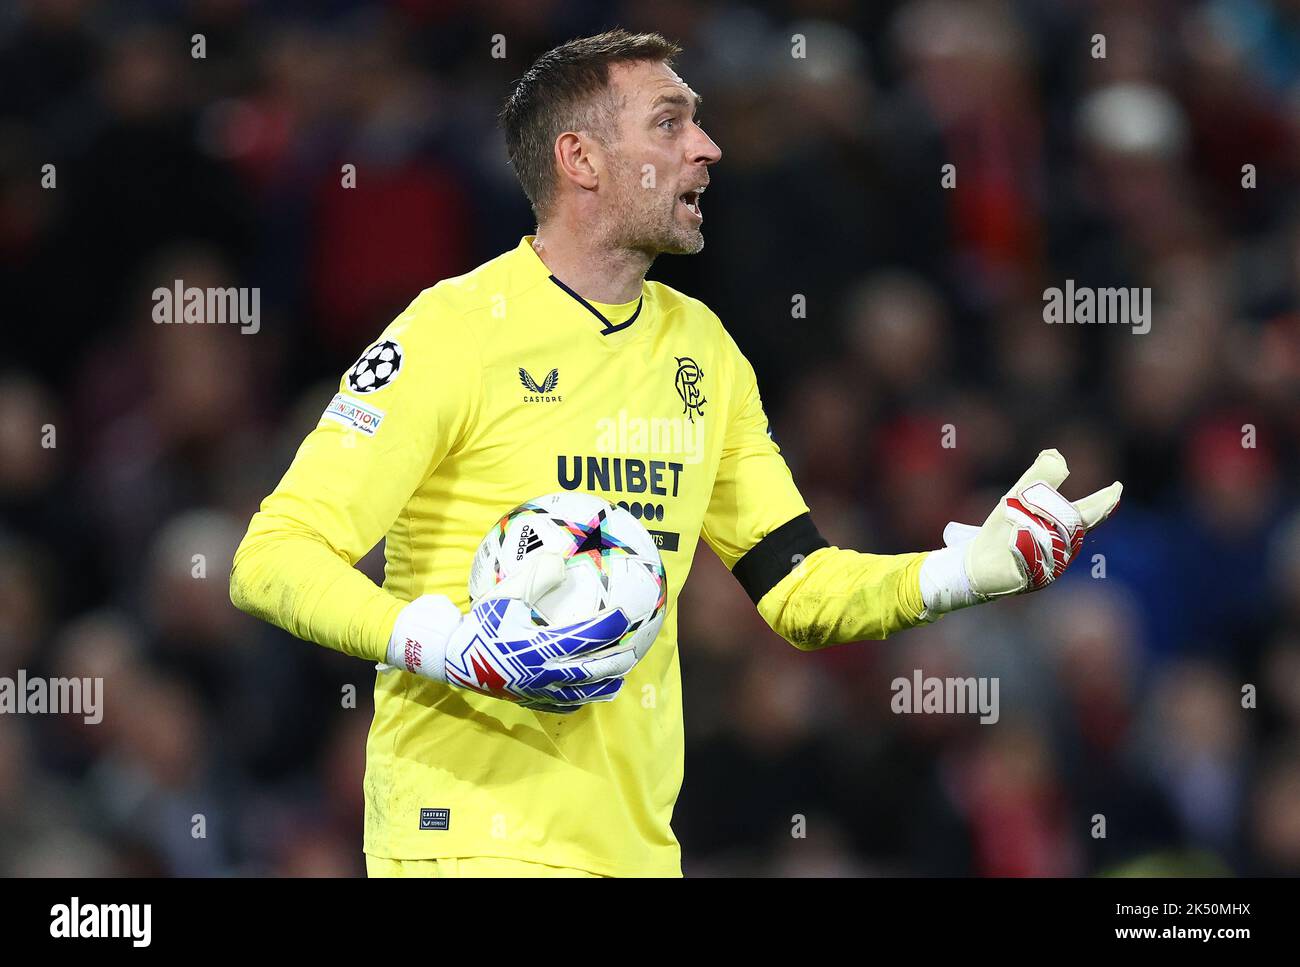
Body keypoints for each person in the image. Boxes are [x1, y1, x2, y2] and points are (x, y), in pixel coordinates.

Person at [230, 29, 1122, 878]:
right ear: (580, 160)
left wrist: (963, 570)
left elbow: (799, 588)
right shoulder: (451, 333)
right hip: (468, 840)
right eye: (669, 122)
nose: (708, 147)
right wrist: (455, 643)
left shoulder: (703, 351)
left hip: (639, 852)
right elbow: (272, 558)